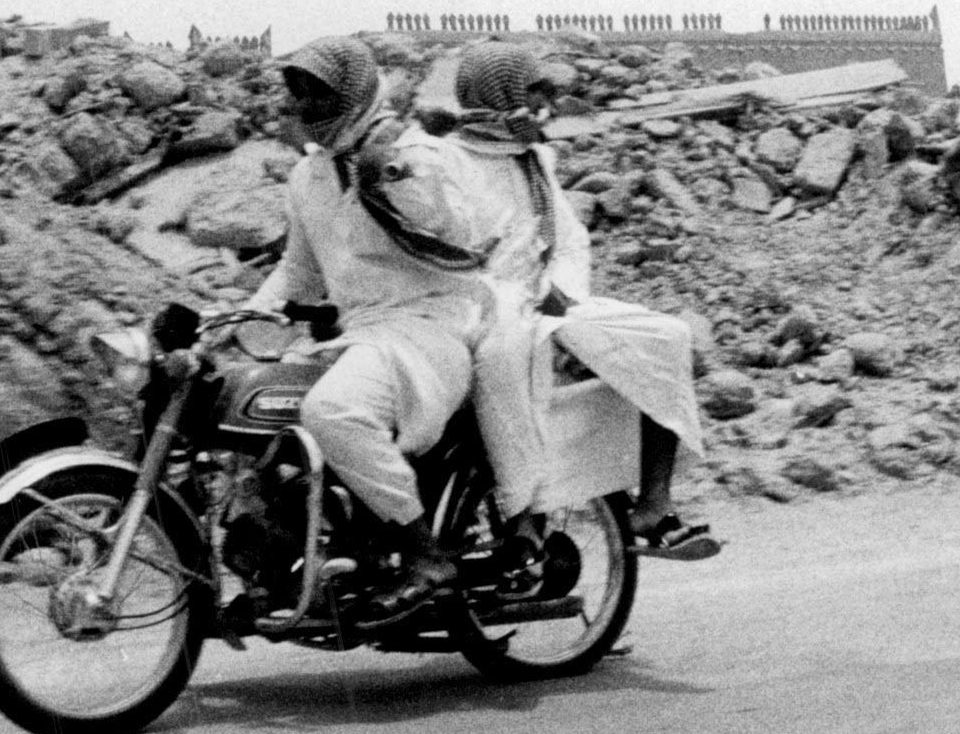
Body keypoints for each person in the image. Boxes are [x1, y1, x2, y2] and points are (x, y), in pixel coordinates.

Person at [247, 36, 496, 620]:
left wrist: (395, 175)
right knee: (252, 405)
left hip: (426, 326)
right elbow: (297, 273)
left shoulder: (410, 151)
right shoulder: (308, 177)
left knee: (332, 410)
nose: (304, 103)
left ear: (352, 91)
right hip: (360, 333)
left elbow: (457, 228)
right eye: (297, 90)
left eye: (318, 91)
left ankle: (423, 553)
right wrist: (239, 319)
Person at [443, 42, 718, 559]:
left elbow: (569, 241)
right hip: (485, 307)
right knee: (511, 360)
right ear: (500, 94)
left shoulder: (535, 159)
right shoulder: (448, 161)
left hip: (547, 298)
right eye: (533, 91)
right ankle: (522, 520)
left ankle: (654, 503)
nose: (545, 103)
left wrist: (562, 294)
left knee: (665, 337)